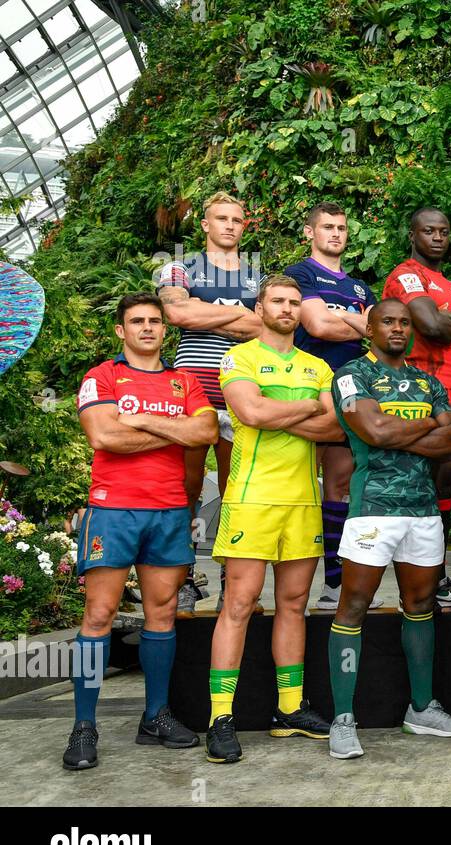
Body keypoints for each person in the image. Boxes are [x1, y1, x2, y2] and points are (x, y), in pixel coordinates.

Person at [64, 293, 219, 770]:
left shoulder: (184, 380)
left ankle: (155, 717)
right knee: (99, 614)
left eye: (155, 320)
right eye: (137, 321)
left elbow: (206, 433)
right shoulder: (102, 376)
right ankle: (84, 726)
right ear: (121, 330)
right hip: (113, 511)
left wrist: (143, 419)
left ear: (164, 329)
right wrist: (175, 427)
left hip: (170, 509)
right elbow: (104, 436)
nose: (148, 328)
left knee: (163, 612)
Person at [204, 275, 343, 763]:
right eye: (277, 301)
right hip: (251, 497)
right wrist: (304, 408)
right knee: (238, 605)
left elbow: (335, 425)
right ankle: (220, 716)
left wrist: (276, 410)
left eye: (292, 302)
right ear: (260, 307)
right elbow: (250, 412)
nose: (285, 308)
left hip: (304, 500)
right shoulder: (238, 357)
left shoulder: (318, 365)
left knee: (293, 604)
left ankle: (289, 709)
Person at [326, 299, 451, 759]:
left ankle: (421, 709)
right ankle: (343, 719)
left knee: (421, 604)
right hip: (373, 508)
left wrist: (399, 428)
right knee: (353, 606)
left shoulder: (427, 381)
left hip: (423, 510)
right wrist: (426, 427)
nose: (398, 328)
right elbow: (375, 432)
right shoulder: (352, 375)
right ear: (369, 328)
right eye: (387, 321)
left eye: (405, 323)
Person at [155, 191, 264, 614]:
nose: (230, 226)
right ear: (205, 224)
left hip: (240, 391)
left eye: (237, 220)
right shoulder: (179, 267)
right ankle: (181, 579)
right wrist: (237, 316)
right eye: (221, 218)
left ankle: (229, 587)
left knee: (237, 491)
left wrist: (207, 309)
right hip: (192, 390)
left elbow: (265, 326)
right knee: (186, 487)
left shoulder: (257, 276)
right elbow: (178, 316)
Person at [383, 208, 451, 610]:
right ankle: (412, 585)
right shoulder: (406, 274)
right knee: (410, 488)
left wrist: (449, 320)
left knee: (443, 489)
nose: (437, 237)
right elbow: (430, 326)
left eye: (443, 231)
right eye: (428, 231)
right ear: (413, 235)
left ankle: (437, 580)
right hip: (414, 392)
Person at [284, 202, 376, 612]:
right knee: (298, 487)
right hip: (304, 387)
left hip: (349, 389)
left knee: (341, 487)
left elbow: (380, 333)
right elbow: (317, 326)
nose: (335, 234)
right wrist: (356, 322)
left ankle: (334, 586)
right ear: (310, 232)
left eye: (341, 227)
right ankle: (286, 590)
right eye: (327, 227)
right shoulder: (300, 275)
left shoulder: (360, 288)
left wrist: (345, 316)